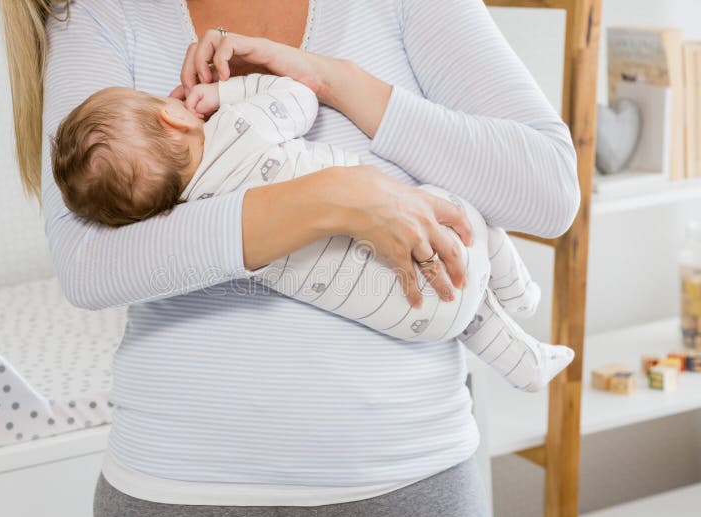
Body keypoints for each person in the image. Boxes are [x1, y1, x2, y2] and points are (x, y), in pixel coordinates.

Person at [0, 1, 579, 517]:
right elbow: (87, 262)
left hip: (402, 478)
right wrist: (335, 199)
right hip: (176, 491)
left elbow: (548, 190)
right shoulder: (104, 15)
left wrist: (335, 80)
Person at [50, 73, 573, 392]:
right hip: (438, 253)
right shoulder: (238, 127)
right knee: (465, 212)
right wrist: (226, 92)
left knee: (461, 315)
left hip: (402, 317)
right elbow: (298, 96)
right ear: (174, 117)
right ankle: (517, 290)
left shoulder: (187, 220)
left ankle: (524, 364)